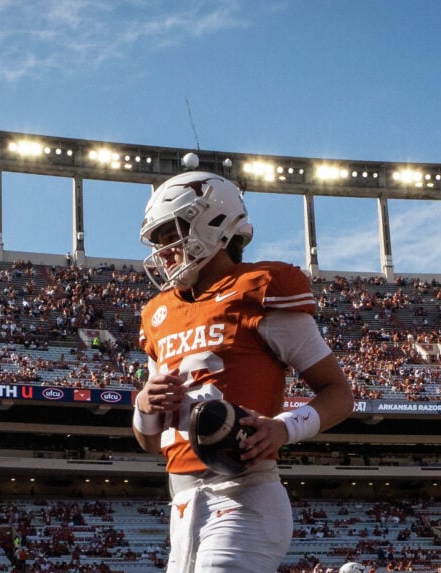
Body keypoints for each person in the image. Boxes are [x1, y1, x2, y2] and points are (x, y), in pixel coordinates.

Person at [131, 171, 354, 572]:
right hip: (181, 503)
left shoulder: (259, 287)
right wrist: (144, 406)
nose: (163, 252)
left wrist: (284, 428)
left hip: (243, 494)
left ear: (212, 223)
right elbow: (150, 443)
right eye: (158, 241)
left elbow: (338, 392)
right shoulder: (157, 313)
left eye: (170, 234)